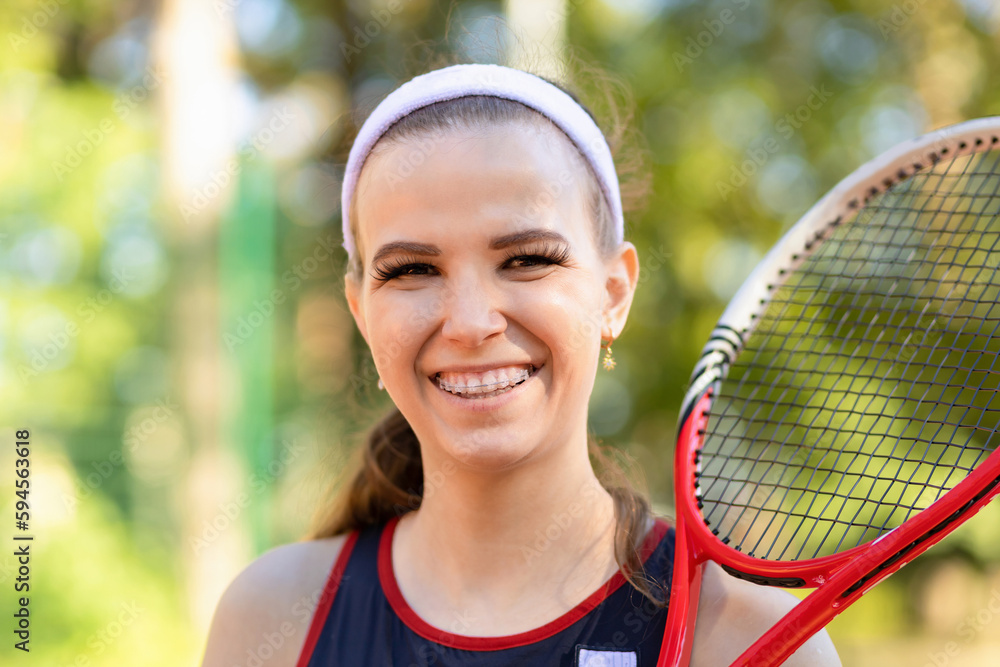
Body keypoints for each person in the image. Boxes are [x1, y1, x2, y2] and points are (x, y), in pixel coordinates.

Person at [201, 62, 841, 667]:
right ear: (362, 313)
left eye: (528, 258)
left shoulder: (750, 641)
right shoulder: (273, 618)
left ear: (613, 293)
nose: (472, 321)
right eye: (413, 270)